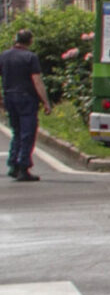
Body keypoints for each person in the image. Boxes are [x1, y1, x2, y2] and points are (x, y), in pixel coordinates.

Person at [2, 28, 49, 182]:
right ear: (30, 41)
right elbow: (37, 80)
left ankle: (13, 163)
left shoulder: (4, 56)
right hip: (26, 98)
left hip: (9, 96)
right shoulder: (30, 57)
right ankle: (23, 167)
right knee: (27, 133)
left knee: (16, 132)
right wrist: (46, 102)